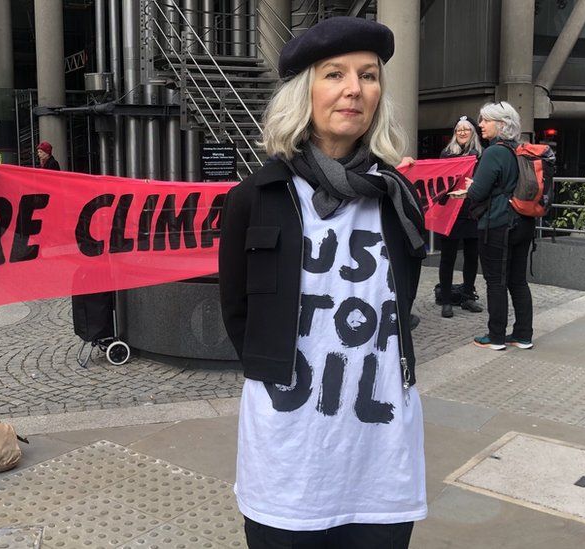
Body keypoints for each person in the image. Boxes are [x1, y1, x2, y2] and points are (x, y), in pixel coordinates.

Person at [218, 17, 427, 549]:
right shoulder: (256, 197)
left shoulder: (397, 198)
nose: (354, 89)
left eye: (368, 75)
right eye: (334, 74)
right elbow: (237, 312)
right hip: (288, 454)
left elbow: (400, 304)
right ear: (303, 93)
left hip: (380, 453)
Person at [465, 102, 535, 351]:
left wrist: (471, 186)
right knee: (518, 281)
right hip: (523, 221)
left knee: (496, 282)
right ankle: (523, 335)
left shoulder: (494, 152)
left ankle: (496, 337)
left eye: (486, 120)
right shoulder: (520, 150)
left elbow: (478, 193)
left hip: (497, 224)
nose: (480, 125)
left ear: (502, 125)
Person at [437, 116, 484, 318]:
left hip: (472, 211)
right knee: (448, 257)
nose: (462, 132)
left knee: (472, 257)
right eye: (459, 129)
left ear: (473, 132)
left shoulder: (481, 155)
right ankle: (446, 299)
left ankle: (467, 296)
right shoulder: (446, 154)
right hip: (451, 212)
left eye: (466, 129)